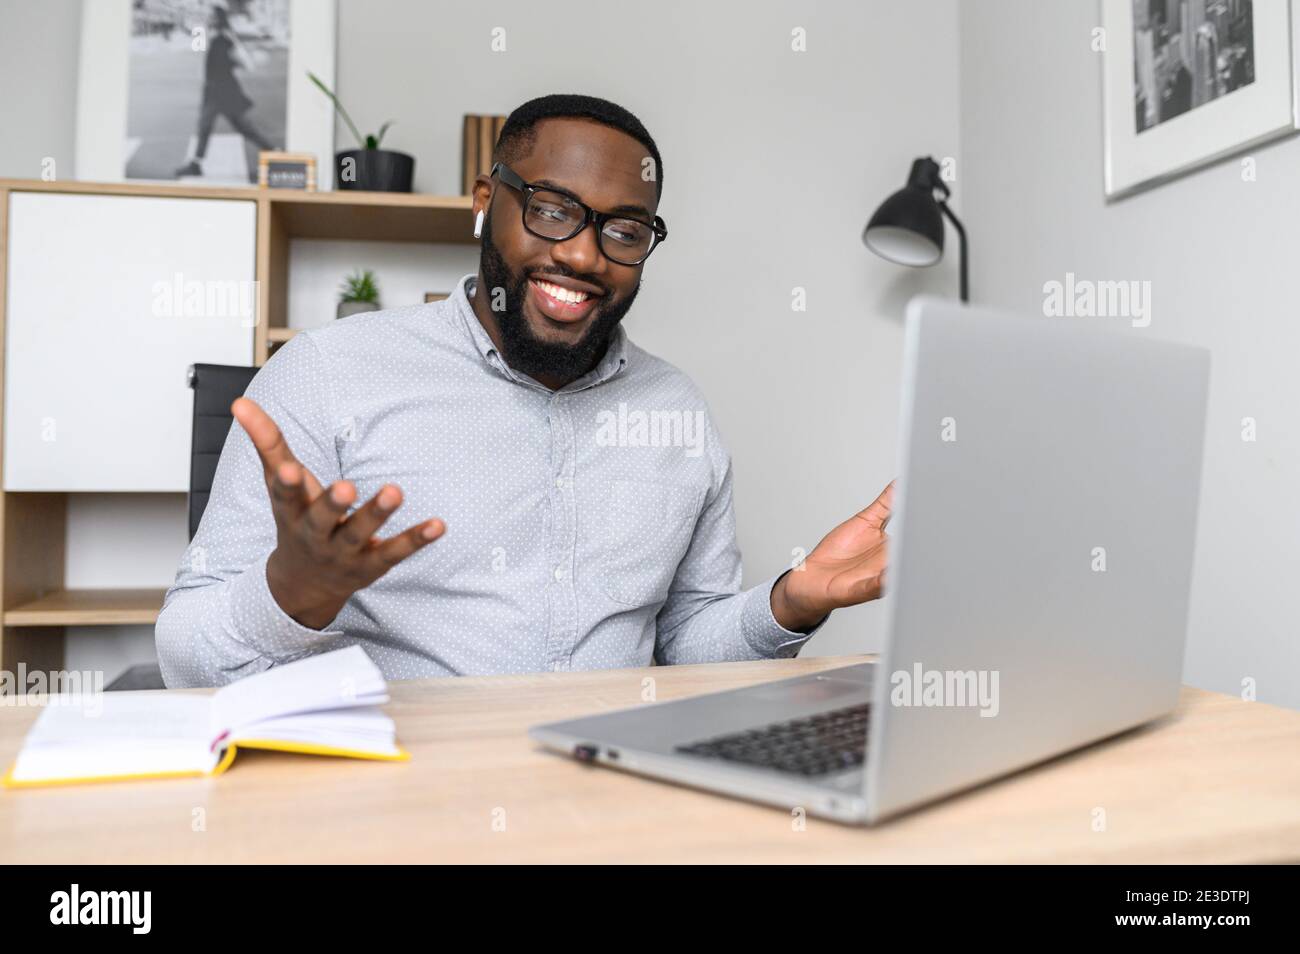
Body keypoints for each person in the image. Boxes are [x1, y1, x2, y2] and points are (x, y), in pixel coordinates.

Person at [156, 94, 891, 686]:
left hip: (609, 794)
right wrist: (292, 592)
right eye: (550, 208)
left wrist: (786, 606)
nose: (580, 254)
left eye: (624, 231)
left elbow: (684, 649)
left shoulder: (677, 413)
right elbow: (184, 658)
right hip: (395, 801)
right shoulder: (327, 374)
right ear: (485, 201)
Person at [174, 4, 272, 181]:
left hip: (225, 90)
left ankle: (274, 155)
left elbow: (244, 62)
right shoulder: (211, 34)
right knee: (205, 126)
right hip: (212, 90)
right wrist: (182, 22)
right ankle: (196, 165)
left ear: (219, 18)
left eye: (211, 16)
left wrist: (239, 59)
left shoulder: (226, 37)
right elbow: (196, 41)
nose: (208, 18)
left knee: (244, 128)